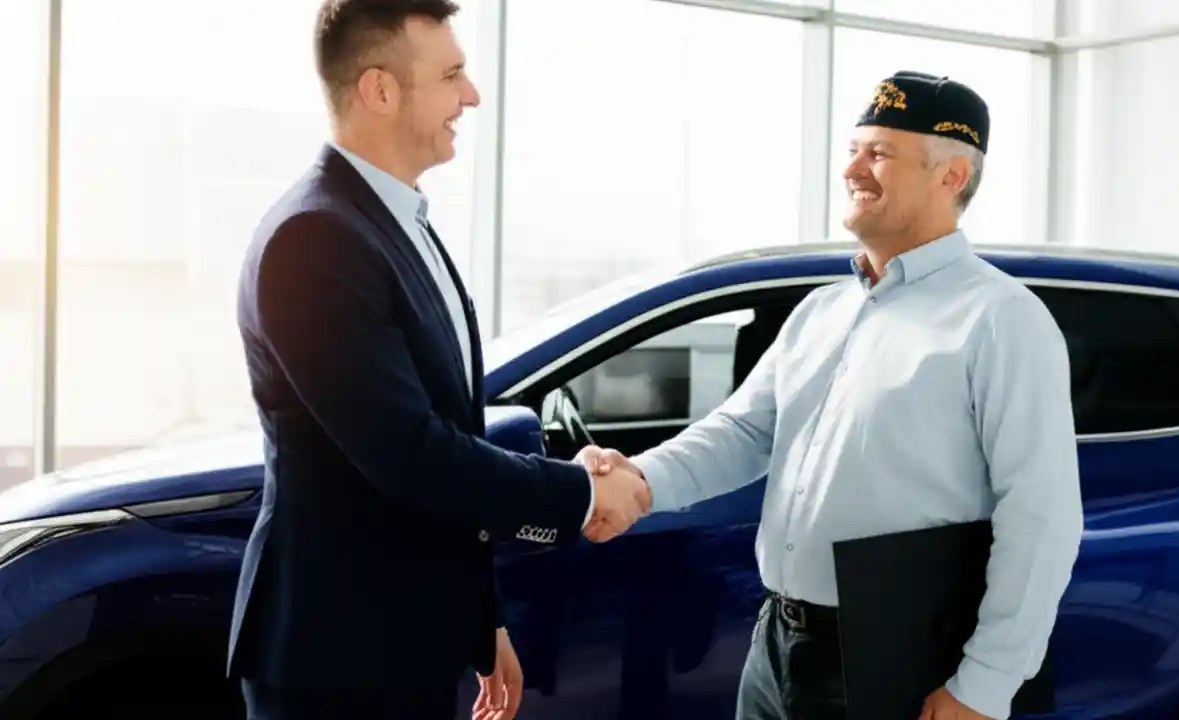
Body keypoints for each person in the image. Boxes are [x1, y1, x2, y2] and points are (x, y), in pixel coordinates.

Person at [583, 71, 1083, 720]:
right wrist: (639, 481)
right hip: (780, 639)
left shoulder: (999, 319)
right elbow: (743, 432)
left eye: (878, 153)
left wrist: (985, 684)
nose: (853, 169)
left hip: (894, 651)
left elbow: (1042, 513)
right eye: (852, 150)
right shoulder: (822, 310)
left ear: (951, 176)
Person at [228, 2, 649, 718]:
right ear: (380, 91)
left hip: (398, 640)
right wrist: (578, 495)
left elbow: (448, 426)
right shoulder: (315, 239)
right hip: (336, 659)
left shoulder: (393, 222)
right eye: (451, 75)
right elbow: (410, 454)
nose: (472, 96)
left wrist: (480, 620)